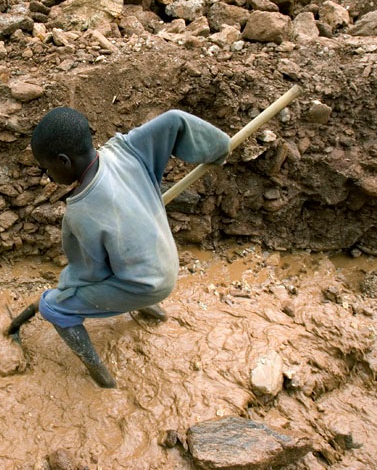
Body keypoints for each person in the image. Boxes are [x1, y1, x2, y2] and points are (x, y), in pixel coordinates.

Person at [12, 106, 231, 388]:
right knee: (126, 268)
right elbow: (174, 121)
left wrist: (58, 293)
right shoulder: (127, 148)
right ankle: (154, 313)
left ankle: (103, 380)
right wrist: (219, 148)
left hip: (146, 285)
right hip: (166, 262)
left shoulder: (80, 213)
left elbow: (90, 275)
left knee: (56, 308)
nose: (48, 177)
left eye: (47, 168)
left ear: (64, 161)